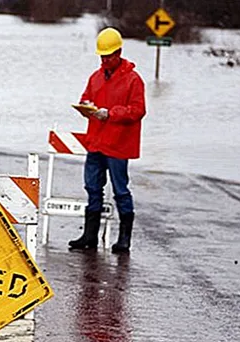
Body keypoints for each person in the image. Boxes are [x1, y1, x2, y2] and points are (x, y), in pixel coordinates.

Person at [69, 27, 146, 254]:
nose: (105, 60)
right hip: (96, 142)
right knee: (92, 187)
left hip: (118, 144)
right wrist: (86, 107)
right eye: (102, 56)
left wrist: (110, 113)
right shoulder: (95, 77)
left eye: (109, 56)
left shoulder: (133, 80)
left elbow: (138, 110)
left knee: (120, 190)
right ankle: (90, 236)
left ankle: (124, 239)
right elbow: (86, 98)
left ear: (119, 52)